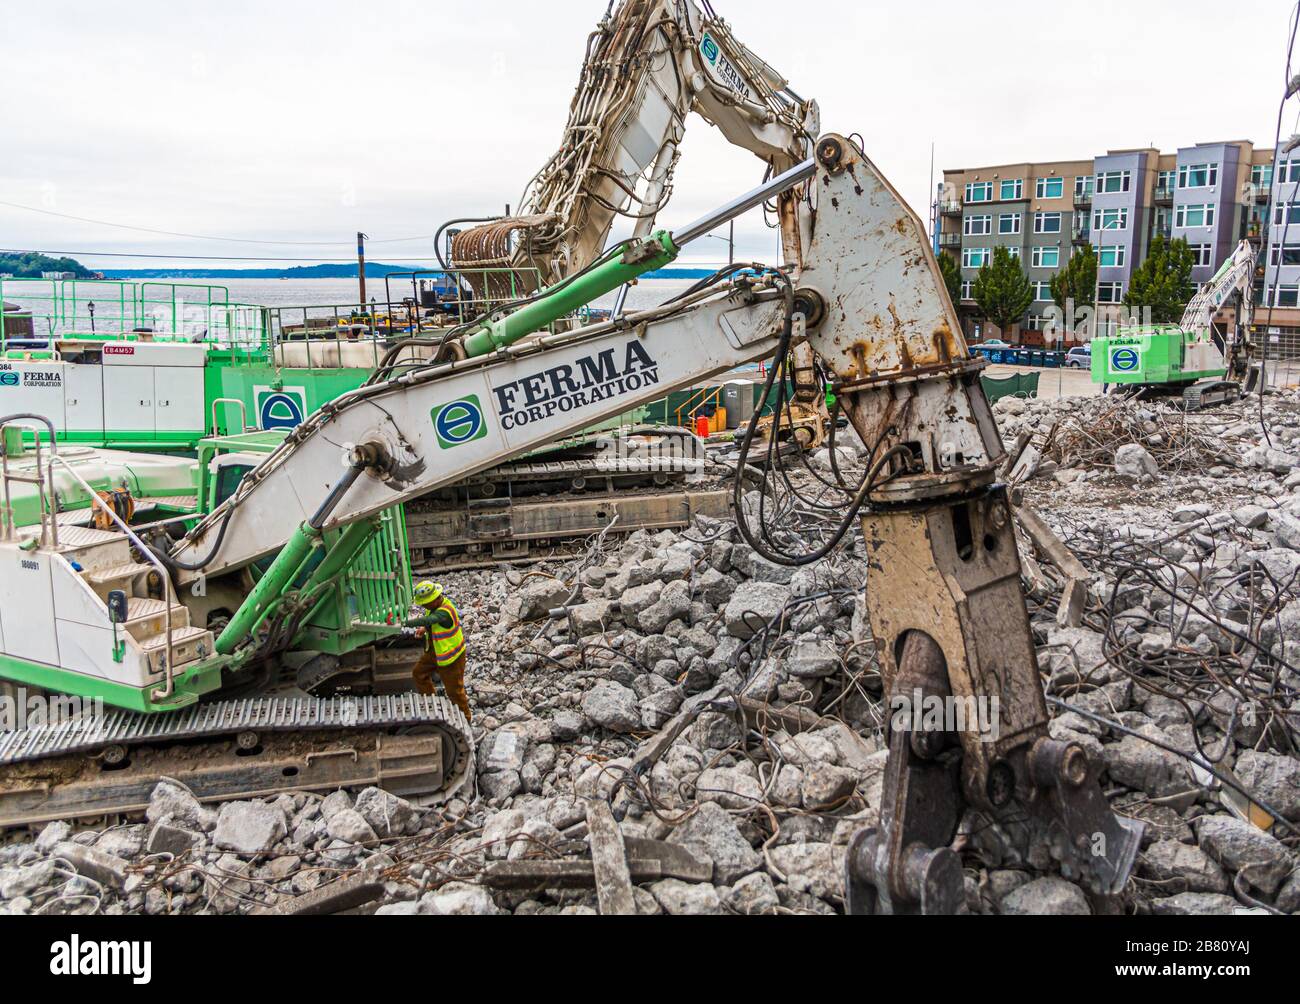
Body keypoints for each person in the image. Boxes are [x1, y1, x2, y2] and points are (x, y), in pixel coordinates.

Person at [406, 582, 471, 722]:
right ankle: (432, 704)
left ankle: (465, 720)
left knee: (455, 692)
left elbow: (433, 619)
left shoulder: (445, 611)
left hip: (451, 657)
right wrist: (425, 629)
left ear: (436, 598)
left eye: (426, 603)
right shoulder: (434, 607)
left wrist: (405, 622)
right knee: (419, 673)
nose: (424, 606)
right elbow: (431, 622)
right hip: (435, 652)